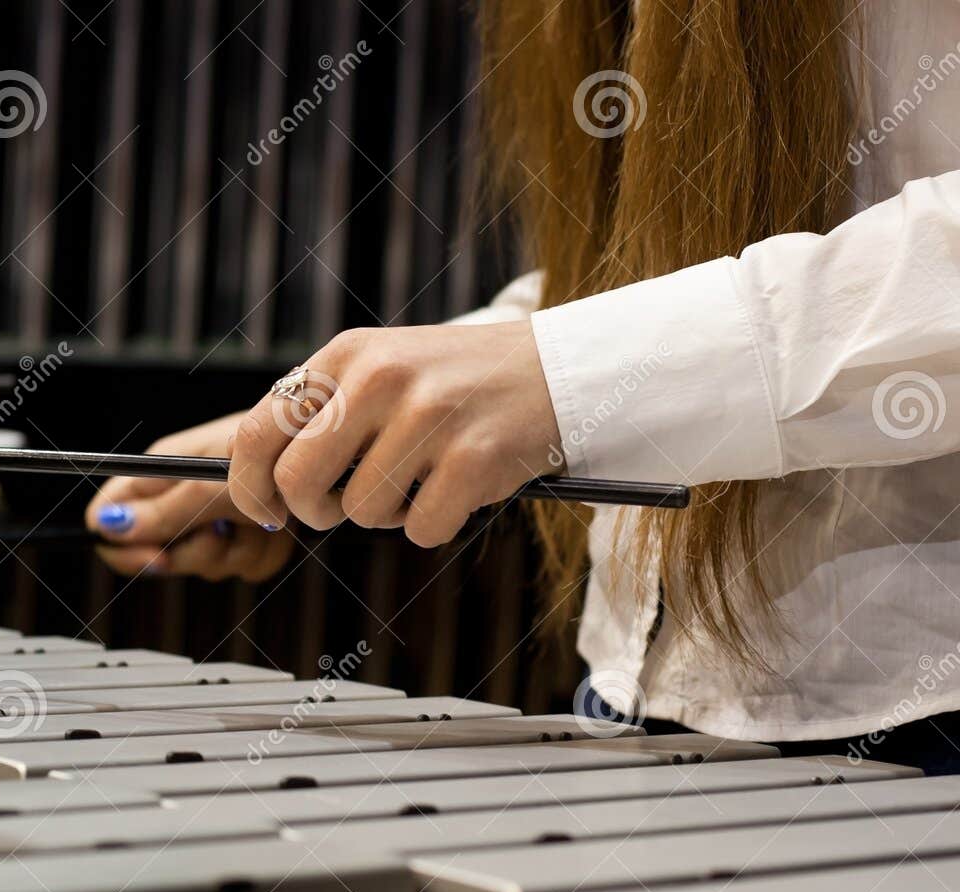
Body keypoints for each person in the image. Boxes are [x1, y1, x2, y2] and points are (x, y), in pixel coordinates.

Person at [86, 2, 960, 771]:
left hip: (927, 714)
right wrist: (344, 426)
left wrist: (563, 377)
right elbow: (657, 272)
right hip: (631, 702)